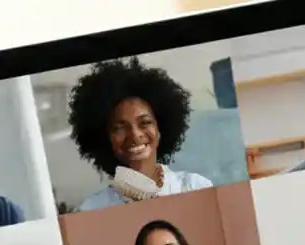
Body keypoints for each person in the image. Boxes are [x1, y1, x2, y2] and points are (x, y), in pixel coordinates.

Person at [68, 58, 213, 212]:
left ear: (160, 129)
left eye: (144, 123)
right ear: (105, 138)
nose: (135, 135)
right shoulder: (91, 210)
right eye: (119, 128)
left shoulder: (195, 187)